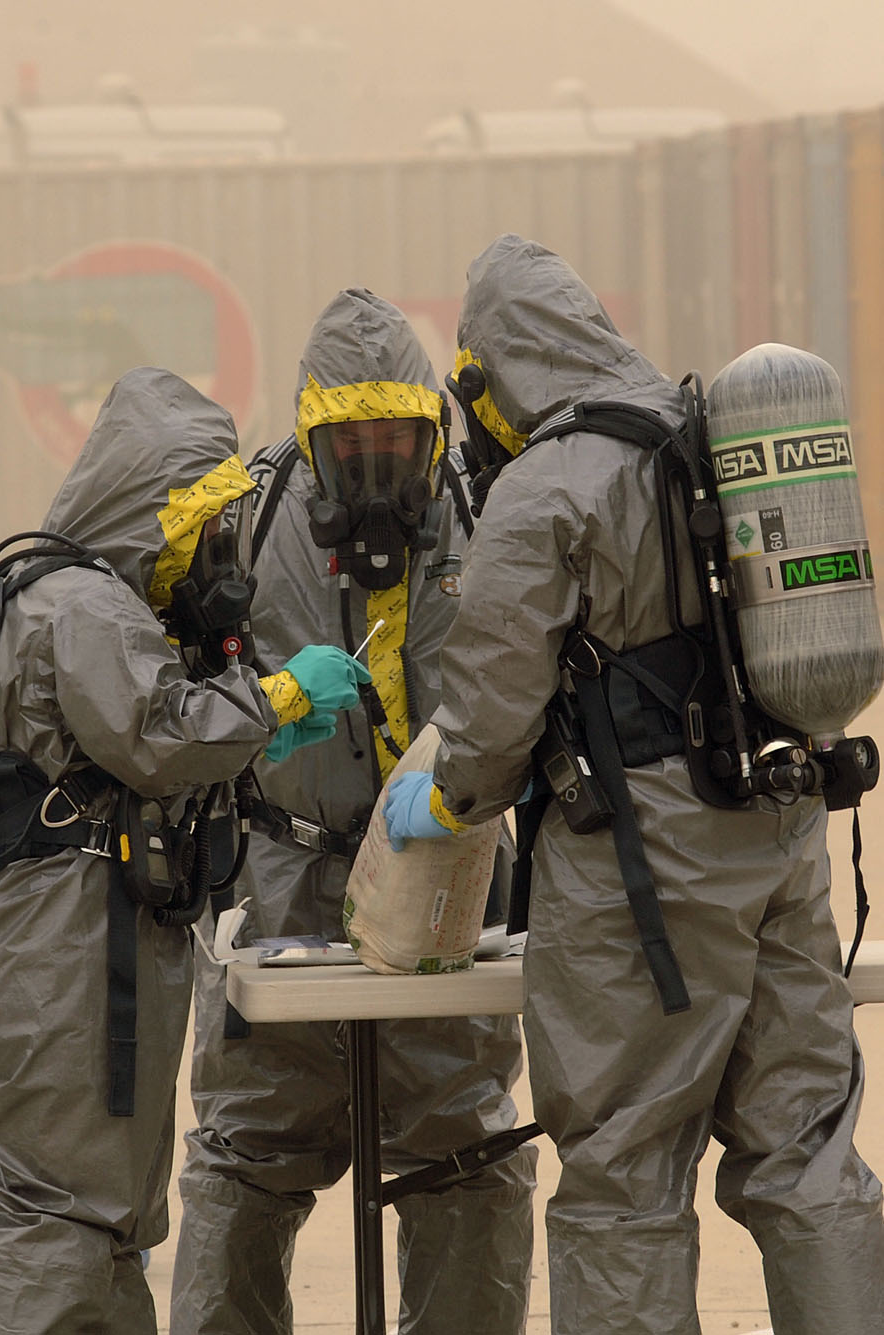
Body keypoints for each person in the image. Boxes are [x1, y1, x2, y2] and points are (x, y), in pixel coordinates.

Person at [385, 233, 884, 1334]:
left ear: (495, 368)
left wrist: (453, 797)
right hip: (779, 825)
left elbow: (496, 700)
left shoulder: (544, 487)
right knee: (806, 1151)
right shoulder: (705, 431)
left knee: (622, 1170)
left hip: (643, 866)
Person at [0, 366, 369, 1333]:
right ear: (151, 508)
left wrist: (252, 735)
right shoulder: (82, 603)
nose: (217, 555)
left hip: (73, 955)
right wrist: (280, 699)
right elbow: (161, 738)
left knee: (103, 1226)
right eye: (204, 525)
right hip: (52, 961)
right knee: (48, 1215)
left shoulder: (93, 606)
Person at [170, 290, 535, 1335]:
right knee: (247, 1153)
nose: (378, 472)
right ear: (311, 438)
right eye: (353, 445)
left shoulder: (487, 516)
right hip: (280, 872)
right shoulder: (241, 518)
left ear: (432, 434)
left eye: (397, 443)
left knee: (462, 1154)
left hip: (450, 868)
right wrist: (258, 728)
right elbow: (171, 693)